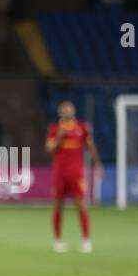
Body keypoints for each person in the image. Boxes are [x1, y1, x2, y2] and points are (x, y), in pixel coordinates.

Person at [45, 100, 102, 253]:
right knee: (58, 205)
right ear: (60, 112)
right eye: (63, 109)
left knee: (80, 205)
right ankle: (57, 240)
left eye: (69, 109)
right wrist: (58, 137)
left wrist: (97, 164)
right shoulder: (54, 129)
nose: (66, 111)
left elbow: (90, 146)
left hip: (76, 173)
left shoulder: (82, 128)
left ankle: (86, 240)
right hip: (60, 173)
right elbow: (49, 149)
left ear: (74, 111)